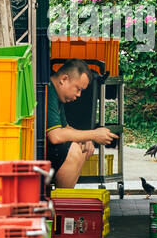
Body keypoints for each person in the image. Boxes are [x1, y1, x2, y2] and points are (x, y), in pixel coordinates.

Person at [45, 58, 117, 189]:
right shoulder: (48, 91)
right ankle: (63, 203)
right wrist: (93, 134)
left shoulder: (57, 96)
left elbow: (65, 127)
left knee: (82, 147)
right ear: (64, 79)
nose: (78, 95)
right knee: (73, 151)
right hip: (32, 153)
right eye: (78, 89)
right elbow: (55, 136)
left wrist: (86, 138)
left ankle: (67, 197)